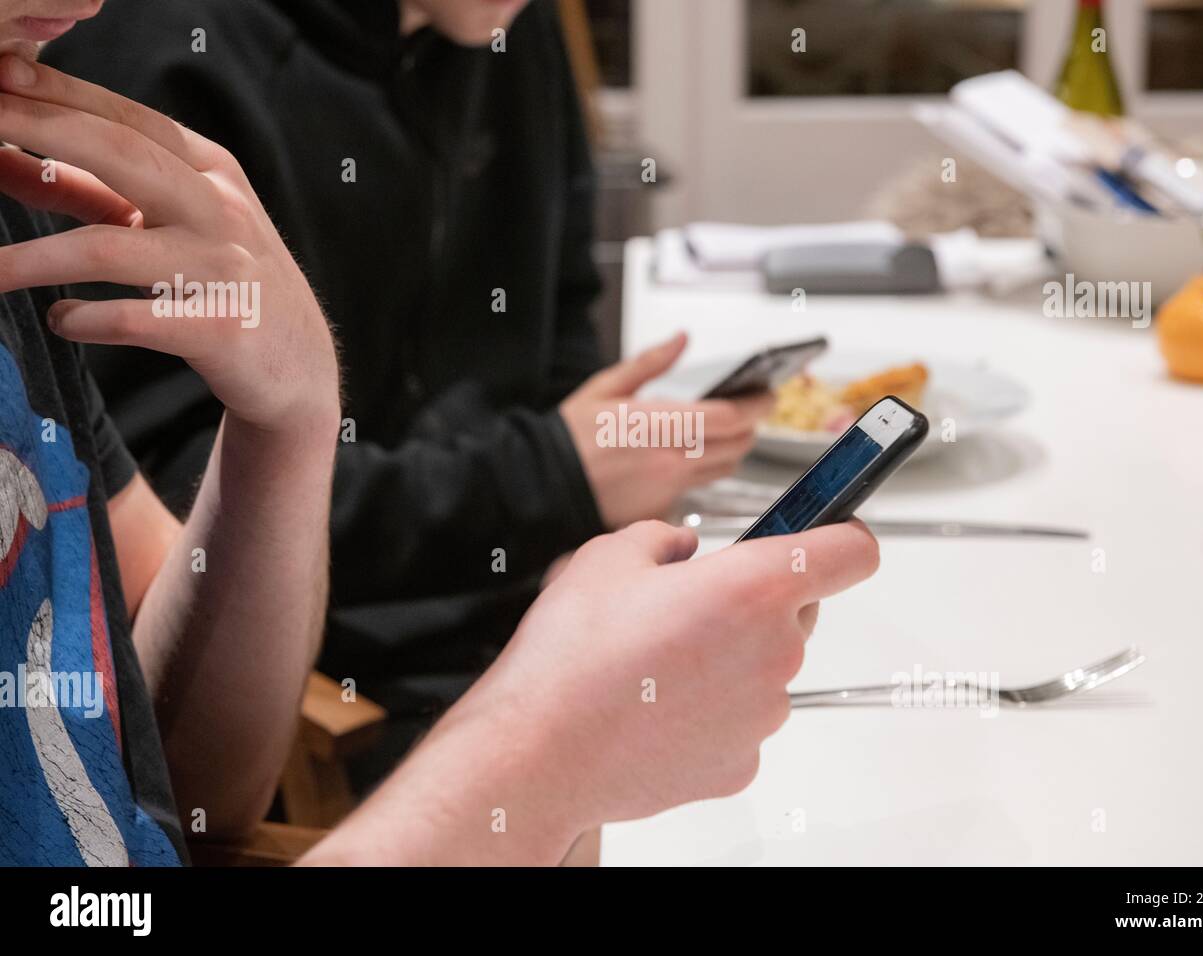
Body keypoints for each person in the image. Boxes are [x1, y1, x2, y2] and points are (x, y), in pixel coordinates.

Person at [0, 2, 881, 865]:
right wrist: (545, 747)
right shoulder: (157, 57)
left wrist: (293, 419)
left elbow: (173, 793)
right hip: (382, 684)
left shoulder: (16, 207)